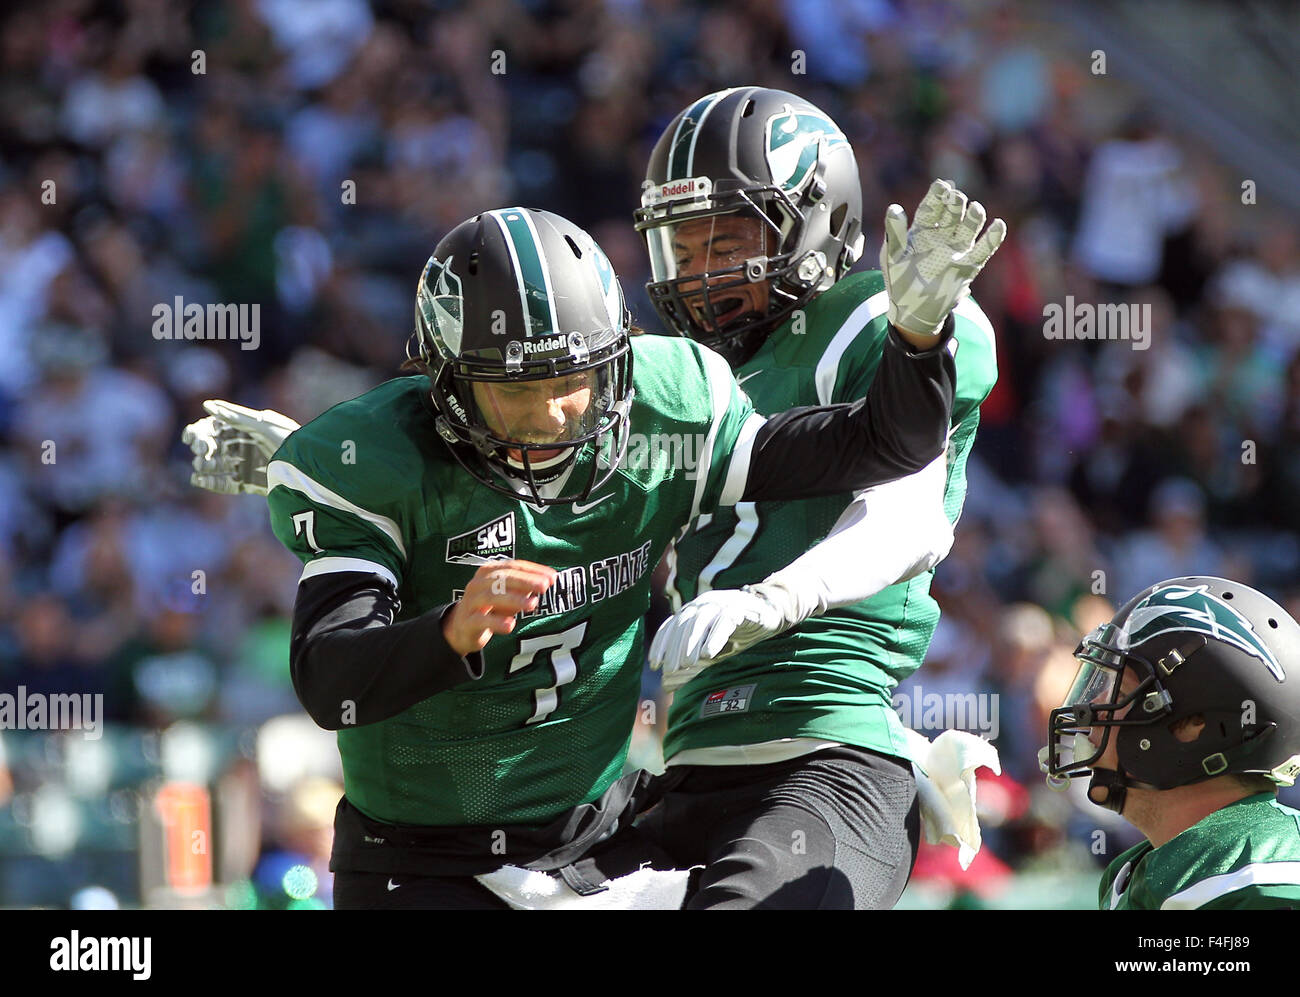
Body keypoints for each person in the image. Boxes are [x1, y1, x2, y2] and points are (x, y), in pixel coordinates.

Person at [184, 204, 966, 908]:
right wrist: (447, 633)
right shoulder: (379, 470)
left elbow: (876, 446)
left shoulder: (665, 415)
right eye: (517, 391)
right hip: (422, 867)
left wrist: (919, 337)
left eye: (576, 381)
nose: (555, 414)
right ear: (448, 385)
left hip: (599, 843)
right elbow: (330, 678)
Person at [632, 86, 1002, 908]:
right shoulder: (686, 378)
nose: (700, 274)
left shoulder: (871, 317)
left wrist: (779, 596)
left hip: (821, 752)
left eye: (726, 242)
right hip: (684, 767)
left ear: (815, 223)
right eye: (682, 250)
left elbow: (909, 518)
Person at [1041, 576, 1300, 909]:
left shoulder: (1264, 875)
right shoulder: (1138, 869)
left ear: (1193, 726)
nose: (1092, 709)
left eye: (1119, 693)